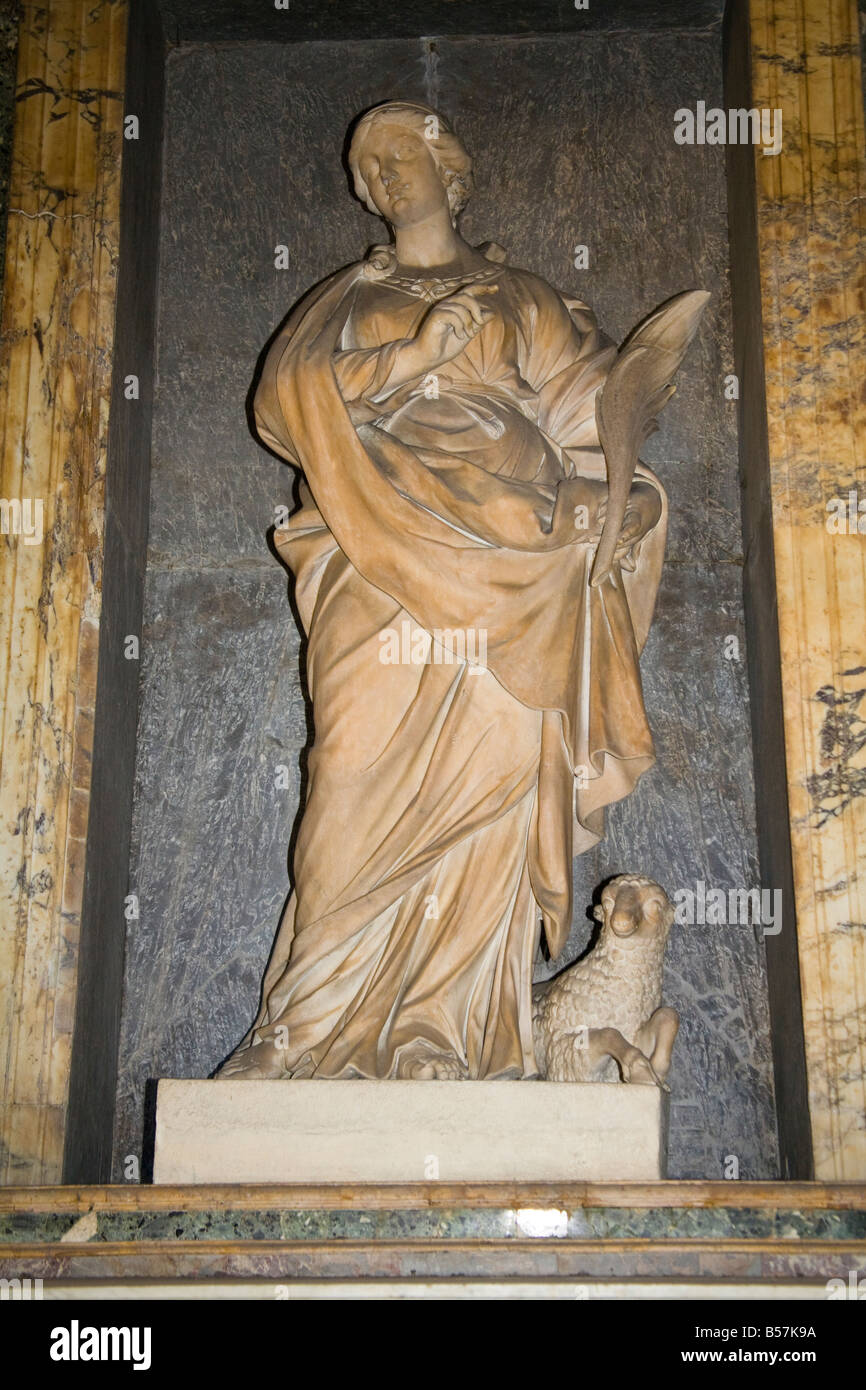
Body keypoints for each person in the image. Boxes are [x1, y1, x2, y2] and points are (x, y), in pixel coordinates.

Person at [217, 101, 666, 1081]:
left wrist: (614, 485)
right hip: (372, 548)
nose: (382, 176)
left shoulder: (522, 294)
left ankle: (440, 1035)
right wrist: (409, 360)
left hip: (515, 555)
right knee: (348, 771)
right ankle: (300, 1031)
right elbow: (283, 405)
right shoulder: (343, 296)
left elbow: (592, 416)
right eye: (366, 165)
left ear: (445, 168)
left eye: (397, 154)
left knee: (490, 784)